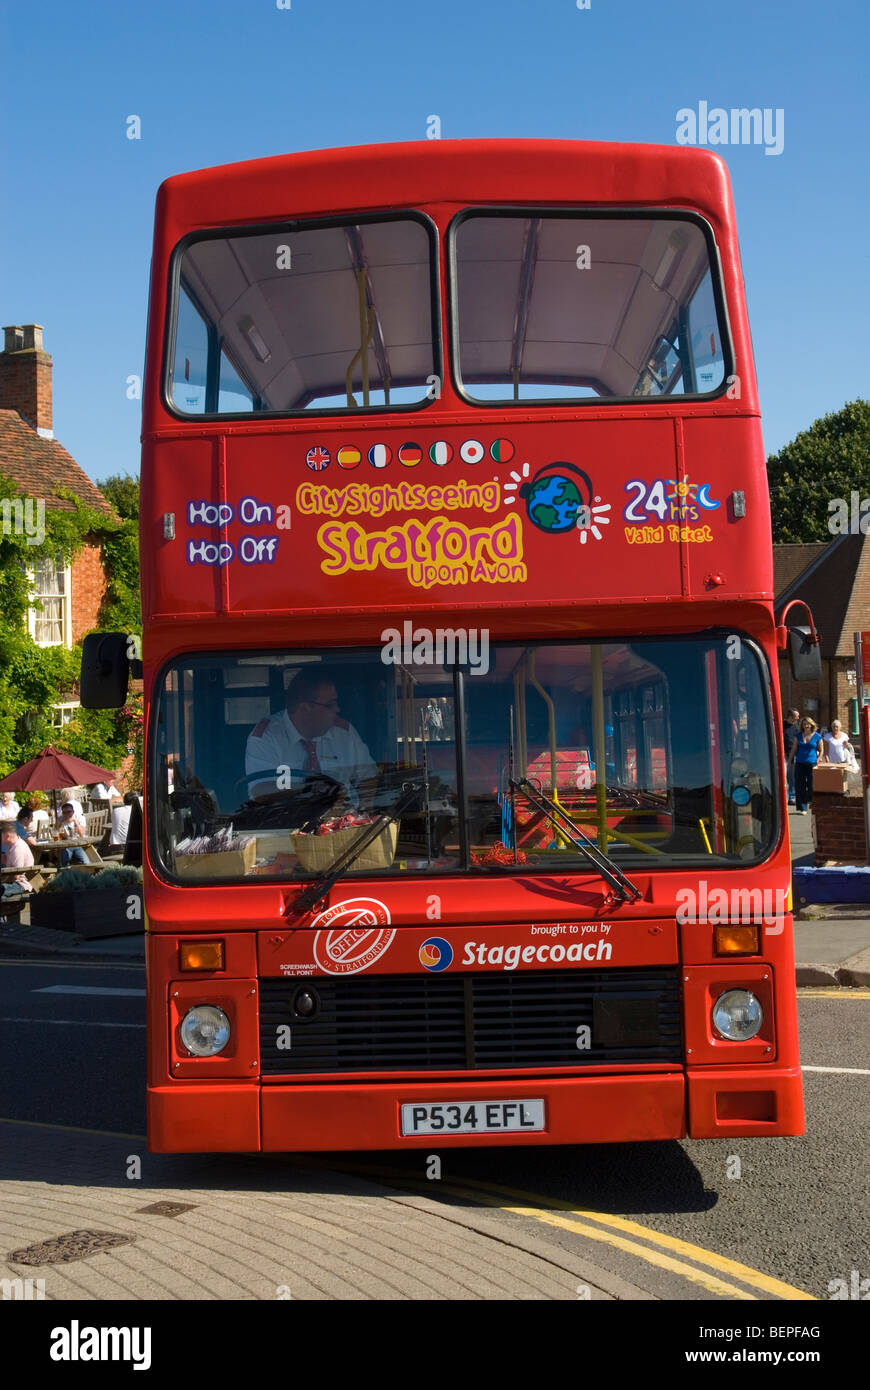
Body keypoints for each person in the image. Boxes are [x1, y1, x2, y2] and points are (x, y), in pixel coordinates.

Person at [245, 669, 377, 800]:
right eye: (330, 704)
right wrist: (309, 789)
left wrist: (366, 810)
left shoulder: (344, 734)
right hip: (287, 819)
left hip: (344, 818)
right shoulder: (267, 736)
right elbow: (260, 790)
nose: (338, 709)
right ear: (304, 708)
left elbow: (369, 777)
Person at [789, 717, 823, 814]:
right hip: (800, 763)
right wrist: (790, 761)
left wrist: (819, 758)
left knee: (811, 785)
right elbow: (794, 749)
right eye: (804, 724)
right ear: (802, 726)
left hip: (812, 763)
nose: (806, 726)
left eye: (808, 724)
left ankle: (812, 802)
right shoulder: (798, 736)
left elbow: (821, 750)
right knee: (800, 785)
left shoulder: (817, 736)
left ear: (811, 725)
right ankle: (802, 808)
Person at [1, 822, 34, 891]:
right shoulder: (12, 845)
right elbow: (4, 859)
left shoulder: (18, 848)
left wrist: (2, 881)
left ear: (7, 836)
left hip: (21, 884)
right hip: (13, 882)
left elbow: (16, 876)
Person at [782, 708, 800, 805]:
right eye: (796, 716)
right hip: (785, 754)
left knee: (793, 776)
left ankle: (792, 796)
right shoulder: (782, 725)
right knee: (786, 775)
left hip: (795, 754)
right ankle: (787, 796)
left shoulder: (796, 726)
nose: (798, 718)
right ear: (791, 716)